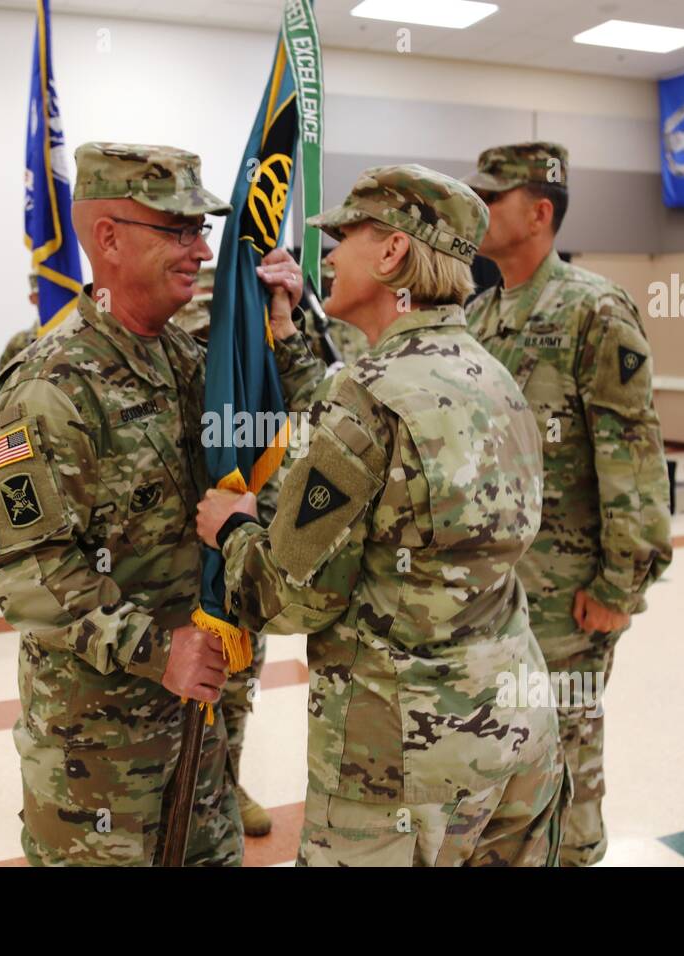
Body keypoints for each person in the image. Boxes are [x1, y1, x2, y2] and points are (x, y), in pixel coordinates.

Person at [196, 165, 567, 867]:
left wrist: (235, 528)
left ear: (393, 252)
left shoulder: (367, 396)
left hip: (400, 765)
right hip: (517, 735)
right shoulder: (495, 375)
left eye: (344, 236)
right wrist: (288, 330)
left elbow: (287, 597)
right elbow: (368, 446)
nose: (328, 255)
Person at [0, 141, 321, 866]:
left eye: (200, 231)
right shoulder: (49, 388)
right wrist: (155, 649)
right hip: (100, 764)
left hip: (200, 740)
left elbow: (302, 439)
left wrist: (284, 330)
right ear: (107, 238)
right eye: (177, 231)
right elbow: (30, 577)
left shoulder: (186, 360)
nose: (201, 251)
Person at [463, 142, 673, 866]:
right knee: (508, 753)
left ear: (539, 210)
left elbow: (633, 454)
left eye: (492, 199)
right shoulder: (480, 314)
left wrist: (622, 583)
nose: (477, 210)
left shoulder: (592, 307)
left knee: (568, 754)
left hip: (568, 595)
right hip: (496, 594)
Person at [0, 270, 43, 375]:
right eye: (44, 294)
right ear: (33, 298)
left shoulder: (80, 336)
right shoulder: (18, 344)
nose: (51, 300)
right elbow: (1, 388)